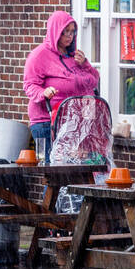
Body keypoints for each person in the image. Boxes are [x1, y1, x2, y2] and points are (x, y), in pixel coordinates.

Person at [22, 11, 99, 162]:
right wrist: (43, 92)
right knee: (54, 170)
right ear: (56, 31)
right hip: (46, 122)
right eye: (65, 32)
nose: (70, 36)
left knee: (71, 169)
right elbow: (29, 85)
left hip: (72, 123)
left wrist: (85, 65)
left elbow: (94, 81)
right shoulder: (39, 55)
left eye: (72, 32)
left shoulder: (74, 56)